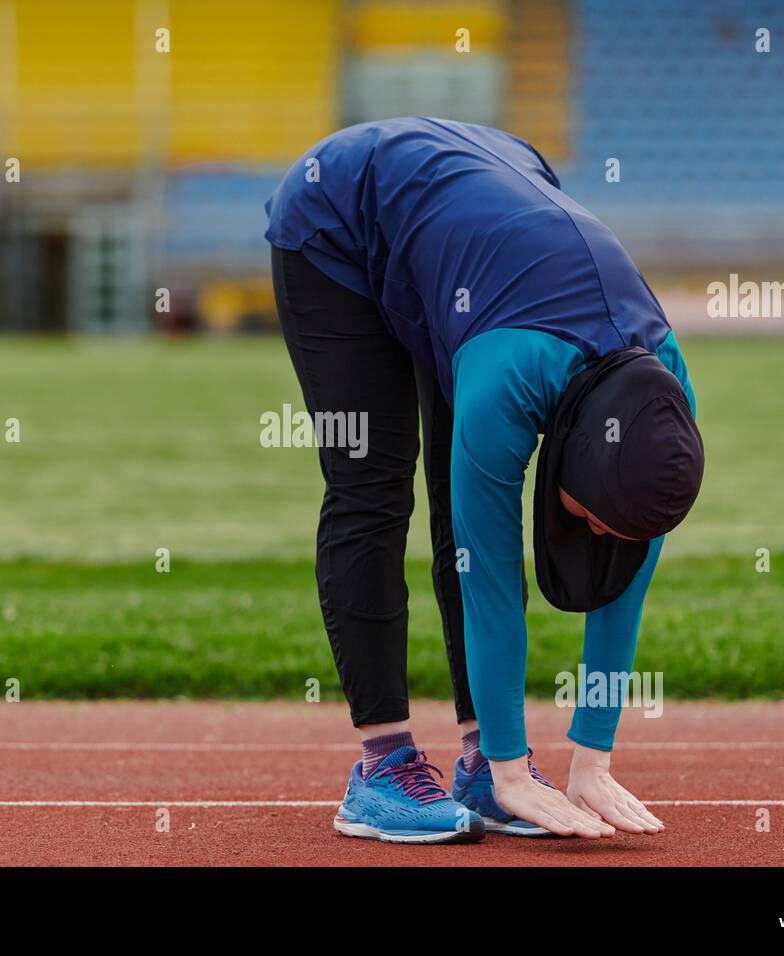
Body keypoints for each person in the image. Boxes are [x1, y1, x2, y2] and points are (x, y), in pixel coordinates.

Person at [264, 117, 704, 844]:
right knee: (373, 487)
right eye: (595, 520)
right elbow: (487, 567)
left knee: (453, 488)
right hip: (342, 218)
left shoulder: (663, 394)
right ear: (573, 461)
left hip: (484, 231)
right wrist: (515, 766)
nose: (594, 538)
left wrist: (591, 758)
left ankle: (478, 763)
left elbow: (628, 569)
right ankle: (383, 769)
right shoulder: (507, 378)